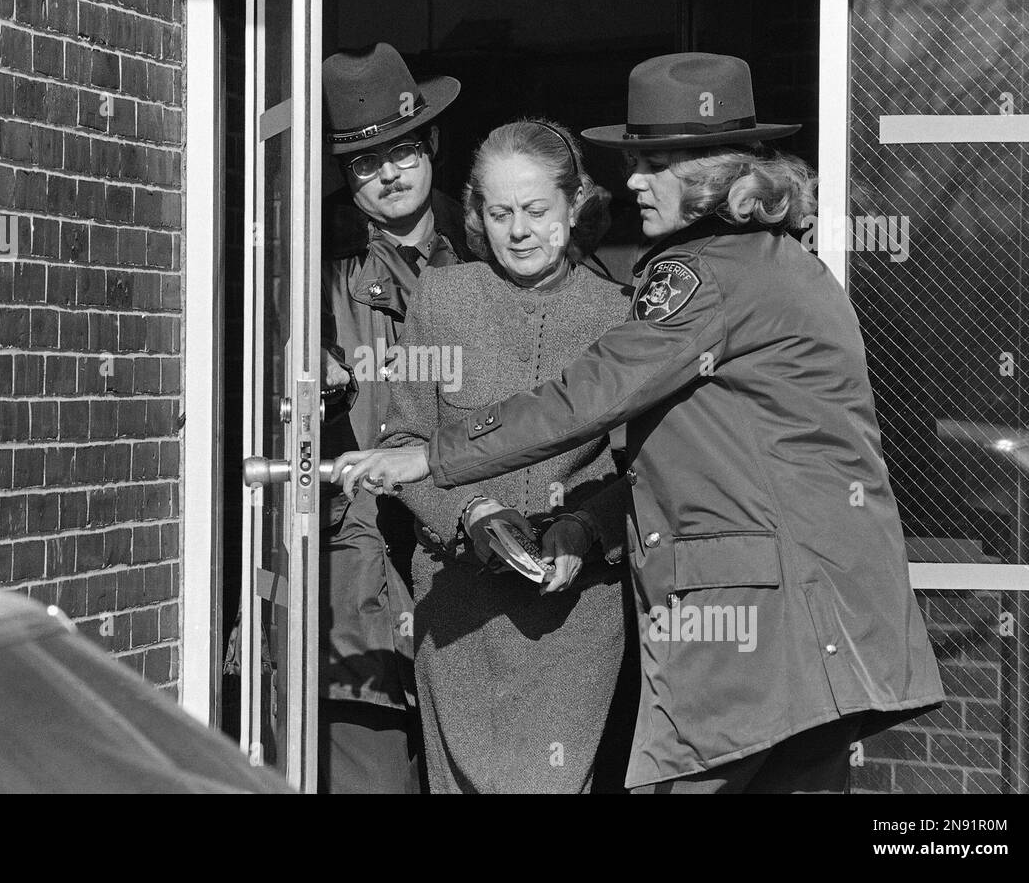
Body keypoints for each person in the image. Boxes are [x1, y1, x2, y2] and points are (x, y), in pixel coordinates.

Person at [334, 52, 945, 793]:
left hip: (756, 635)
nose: (631, 182)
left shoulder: (698, 278)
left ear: (707, 174)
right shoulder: (777, 262)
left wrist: (435, 458)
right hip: (816, 634)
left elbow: (585, 397)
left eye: (648, 164)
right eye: (500, 212)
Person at [378, 118, 631, 793]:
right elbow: (405, 440)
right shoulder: (442, 298)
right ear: (476, 213)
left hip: (575, 619)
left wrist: (586, 529)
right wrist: (469, 509)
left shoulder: (622, 316)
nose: (518, 230)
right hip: (460, 619)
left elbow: (642, 471)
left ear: (575, 204)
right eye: (499, 212)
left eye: (536, 209)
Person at [315, 42, 473, 793]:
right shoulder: (317, 272)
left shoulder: (489, 247)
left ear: (432, 143)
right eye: (365, 162)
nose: (390, 173)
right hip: (363, 569)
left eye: (403, 149)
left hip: (467, 563)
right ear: (344, 180)